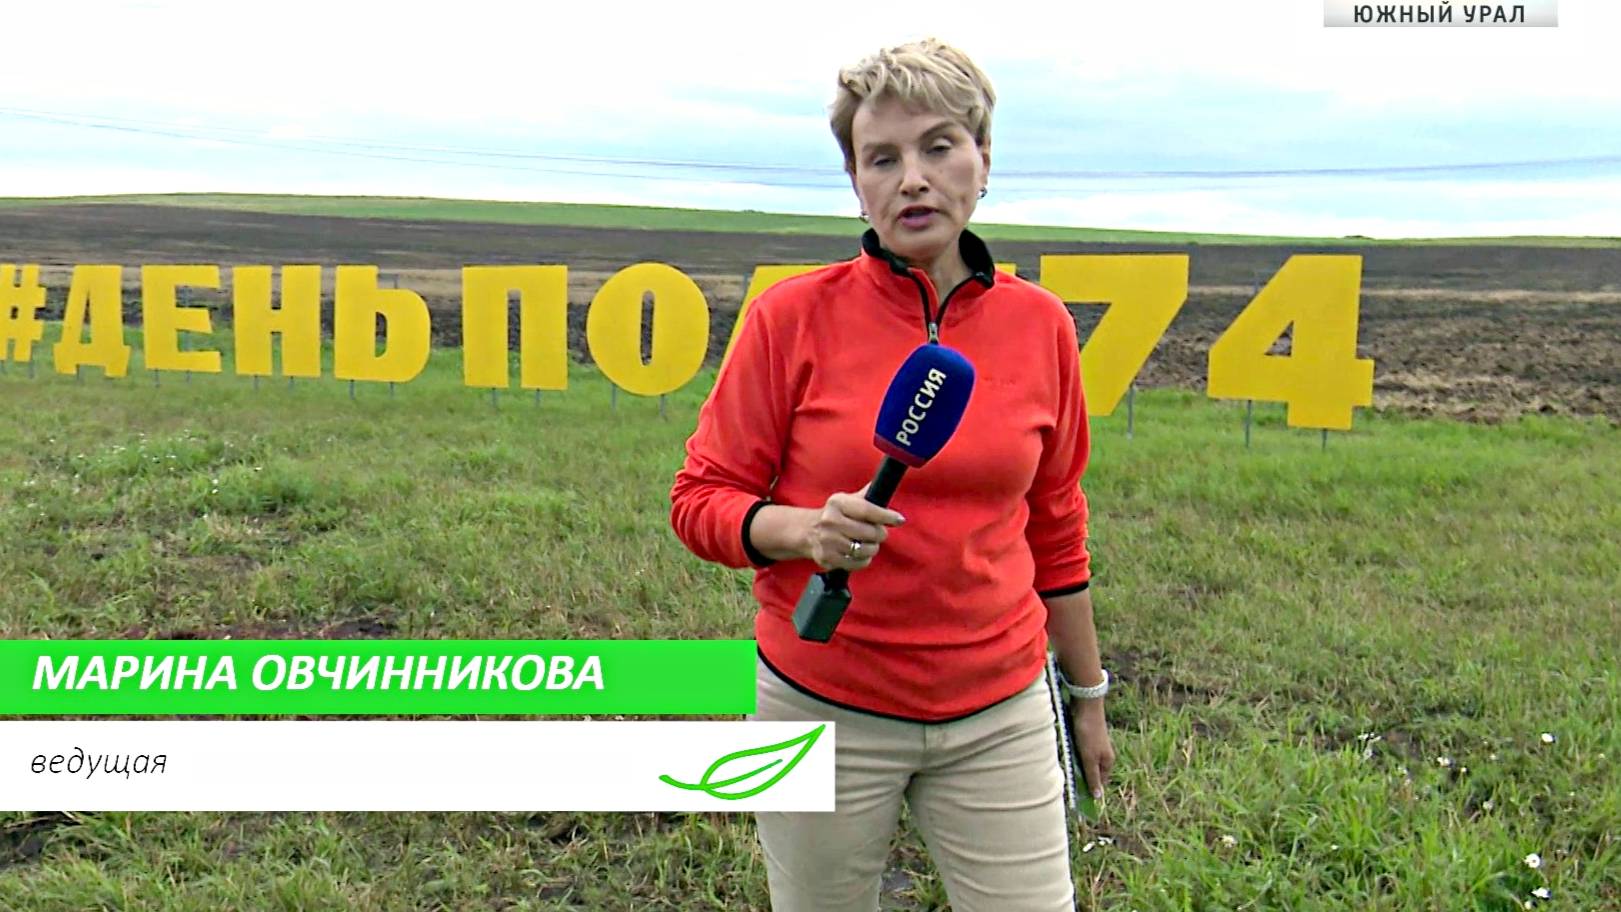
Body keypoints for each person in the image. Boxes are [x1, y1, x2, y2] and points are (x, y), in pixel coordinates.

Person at [669, 37, 1114, 912]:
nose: (913, 179)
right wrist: (803, 530)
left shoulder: (1040, 325)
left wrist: (1086, 693)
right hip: (821, 703)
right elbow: (699, 501)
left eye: (939, 147)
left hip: (999, 709)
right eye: (882, 158)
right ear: (856, 183)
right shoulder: (790, 318)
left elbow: (1056, 522)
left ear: (983, 161)